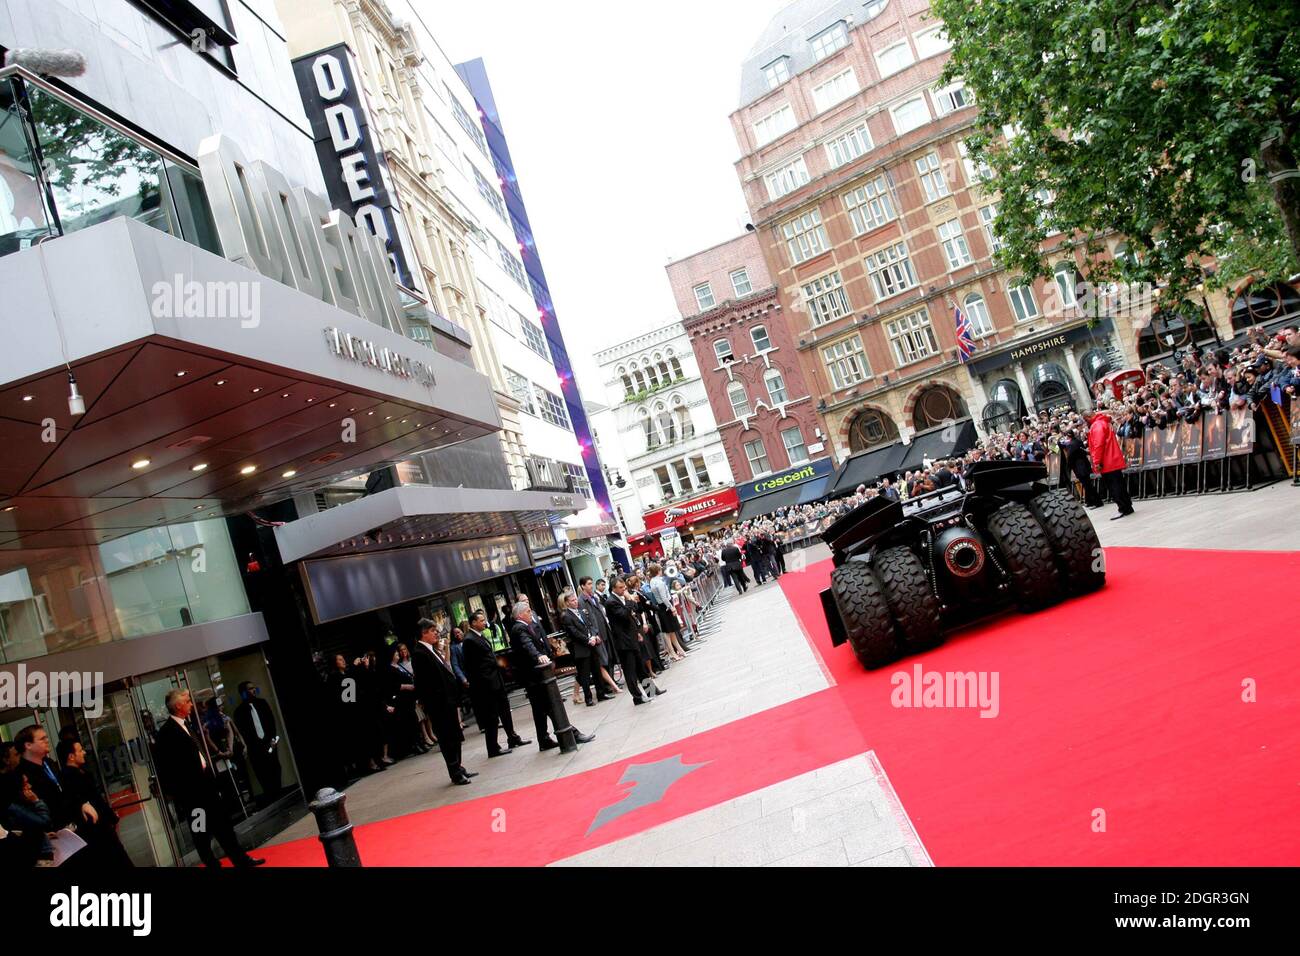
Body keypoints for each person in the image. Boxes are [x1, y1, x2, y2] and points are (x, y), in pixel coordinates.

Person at [152, 690, 265, 867]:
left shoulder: (187, 725)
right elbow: (166, 768)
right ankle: (212, 864)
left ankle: (241, 860)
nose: (191, 704)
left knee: (224, 827)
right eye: (188, 701)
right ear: (178, 706)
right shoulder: (166, 733)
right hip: (192, 795)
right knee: (201, 833)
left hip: (207, 787)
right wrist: (180, 795)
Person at [509, 601, 596, 749]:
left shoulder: (525, 626)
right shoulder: (519, 628)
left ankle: (543, 740)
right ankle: (572, 734)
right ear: (520, 615)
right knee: (552, 706)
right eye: (529, 612)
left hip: (534, 677)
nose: (531, 614)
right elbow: (527, 644)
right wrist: (538, 656)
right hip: (534, 677)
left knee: (539, 711)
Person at [412, 618, 473, 785]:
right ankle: (455, 772)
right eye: (432, 631)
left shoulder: (433, 650)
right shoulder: (419, 653)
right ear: (424, 633)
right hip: (439, 705)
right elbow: (424, 683)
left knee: (455, 736)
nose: (436, 633)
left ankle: (459, 767)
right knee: (447, 739)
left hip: (449, 701)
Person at [461, 610, 529, 757]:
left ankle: (512, 737)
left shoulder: (480, 637)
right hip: (487, 685)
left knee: (505, 711)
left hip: (496, 680)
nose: (484, 622)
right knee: (491, 717)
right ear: (473, 623)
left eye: (484, 620)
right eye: (481, 620)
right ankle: (493, 747)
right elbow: (473, 667)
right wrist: (488, 677)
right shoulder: (469, 640)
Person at [57, 739, 133, 867]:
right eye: (80, 750)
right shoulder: (70, 778)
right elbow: (94, 800)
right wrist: (109, 818)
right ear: (71, 756)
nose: (84, 752)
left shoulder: (80, 773)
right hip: (97, 831)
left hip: (101, 827)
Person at [603, 579, 651, 705]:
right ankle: (637, 697)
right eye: (620, 587)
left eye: (624, 587)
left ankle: (651, 691)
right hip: (623, 642)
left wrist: (630, 600)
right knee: (630, 672)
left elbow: (635, 609)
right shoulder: (611, 602)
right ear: (613, 588)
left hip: (632, 637)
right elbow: (624, 614)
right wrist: (629, 600)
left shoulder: (623, 598)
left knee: (641, 667)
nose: (623, 590)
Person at [233, 682, 283, 803]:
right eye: (250, 689)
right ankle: (270, 795)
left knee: (275, 767)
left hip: (268, 742)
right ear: (243, 693)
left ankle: (278, 792)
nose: (254, 690)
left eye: (254, 688)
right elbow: (242, 732)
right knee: (261, 771)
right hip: (255, 747)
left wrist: (272, 739)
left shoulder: (262, 703)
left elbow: (271, 722)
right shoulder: (239, 712)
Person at [1088, 405, 1135, 520]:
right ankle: (1127, 507)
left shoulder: (1097, 425)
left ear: (1088, 417)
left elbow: (1098, 445)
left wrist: (1097, 461)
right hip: (1112, 458)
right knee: (1120, 484)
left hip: (1107, 461)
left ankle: (1123, 508)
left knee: (1114, 486)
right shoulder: (1103, 422)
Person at [559, 589, 604, 706]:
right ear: (567, 603)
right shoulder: (566, 616)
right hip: (581, 648)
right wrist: (587, 640)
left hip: (592, 645)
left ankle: (601, 694)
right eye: (572, 600)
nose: (575, 602)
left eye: (575, 599)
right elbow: (574, 632)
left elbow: (590, 625)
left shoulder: (582, 611)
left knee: (597, 670)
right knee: (584, 675)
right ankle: (588, 698)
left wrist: (594, 636)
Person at [579, 577, 621, 697]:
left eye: (591, 583)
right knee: (602, 660)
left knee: (609, 658)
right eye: (588, 584)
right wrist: (594, 634)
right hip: (597, 634)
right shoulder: (582, 600)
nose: (591, 586)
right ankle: (606, 686)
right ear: (582, 586)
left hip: (604, 631)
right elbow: (587, 620)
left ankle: (610, 682)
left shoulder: (593, 597)